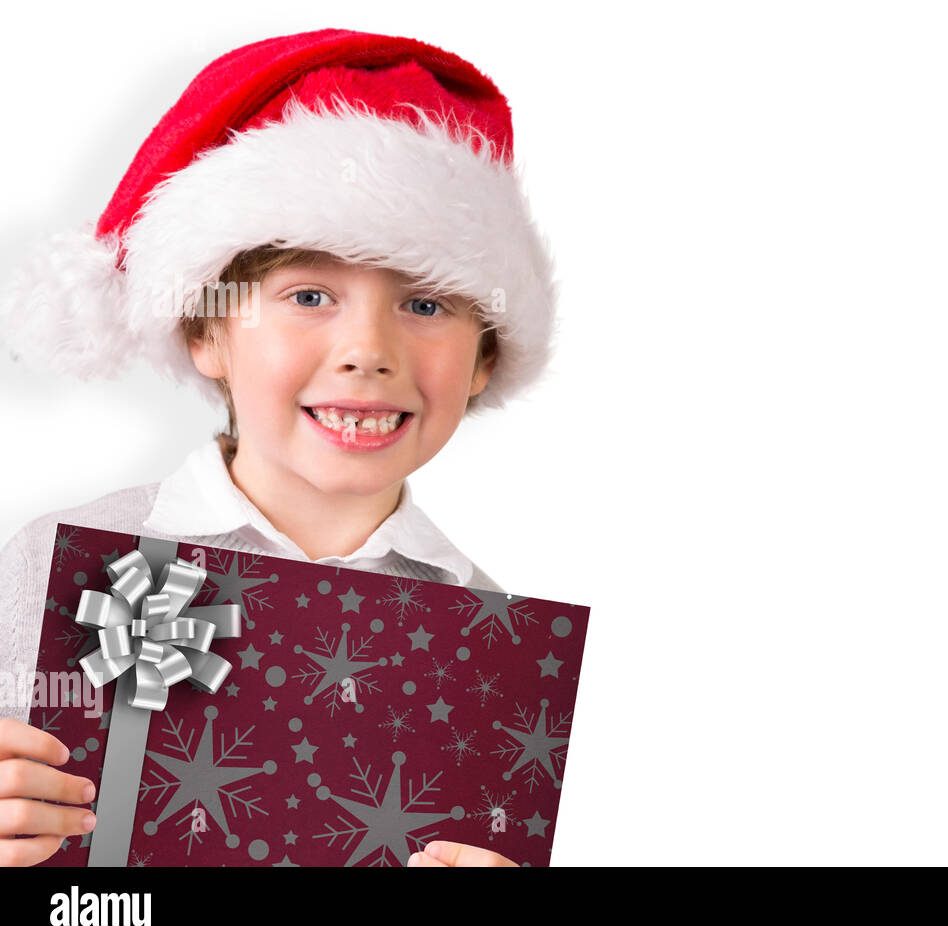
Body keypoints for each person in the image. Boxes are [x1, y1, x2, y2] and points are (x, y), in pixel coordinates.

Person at [0, 28, 559, 868]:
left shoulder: (491, 650)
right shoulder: (58, 567)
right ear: (205, 333)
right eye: (307, 294)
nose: (368, 350)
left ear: (487, 357)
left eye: (428, 305)